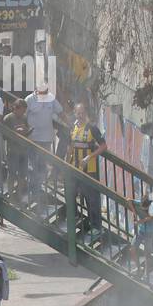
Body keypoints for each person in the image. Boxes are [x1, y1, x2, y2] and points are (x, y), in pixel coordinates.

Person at [68, 101, 107, 244]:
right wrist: (67, 163)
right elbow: (70, 146)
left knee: (92, 199)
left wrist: (90, 156)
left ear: (86, 113)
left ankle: (96, 226)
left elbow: (103, 146)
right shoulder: (72, 127)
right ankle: (76, 217)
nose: (80, 115)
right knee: (71, 193)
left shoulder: (92, 128)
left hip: (89, 170)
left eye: (83, 112)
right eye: (78, 113)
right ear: (75, 113)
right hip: (74, 168)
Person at [24, 82, 63, 202]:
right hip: (33, 138)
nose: (44, 94)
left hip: (46, 138)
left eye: (45, 92)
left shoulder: (51, 98)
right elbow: (23, 115)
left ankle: (37, 190)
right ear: (36, 91)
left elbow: (60, 110)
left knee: (42, 166)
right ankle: (33, 191)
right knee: (33, 166)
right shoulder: (29, 99)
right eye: (41, 92)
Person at [3, 97, 30, 199]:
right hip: (12, 151)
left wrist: (25, 130)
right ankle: (10, 195)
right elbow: (4, 136)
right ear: (16, 108)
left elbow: (27, 131)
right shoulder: (8, 118)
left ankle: (19, 195)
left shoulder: (24, 117)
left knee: (23, 175)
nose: (23, 113)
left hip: (24, 151)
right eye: (22, 110)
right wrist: (15, 132)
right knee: (12, 174)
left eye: (24, 111)